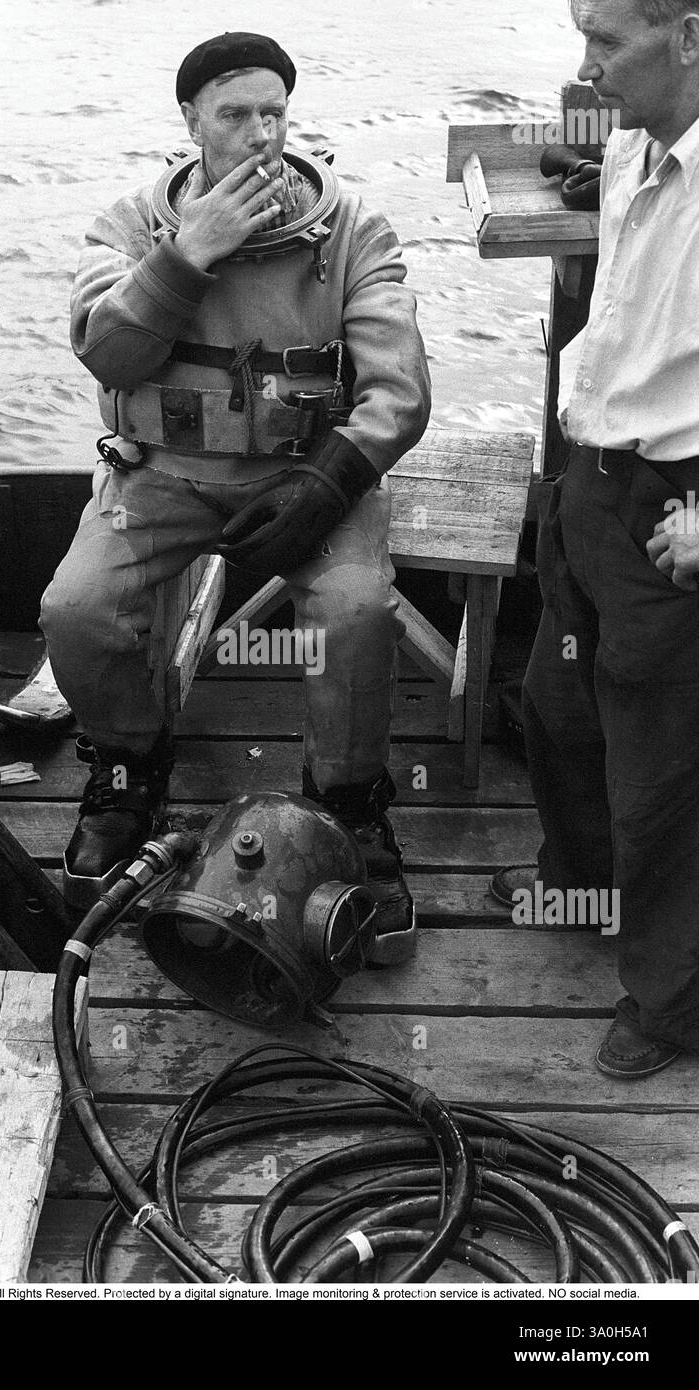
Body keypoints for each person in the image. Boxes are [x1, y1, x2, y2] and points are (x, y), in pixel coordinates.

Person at [39, 32, 431, 960]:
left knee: (354, 611)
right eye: (234, 115)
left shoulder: (351, 231)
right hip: (165, 476)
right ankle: (130, 770)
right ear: (191, 123)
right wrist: (189, 255)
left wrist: (331, 479)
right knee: (74, 607)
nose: (259, 135)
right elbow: (106, 351)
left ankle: (349, 803)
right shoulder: (130, 225)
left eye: (274, 112)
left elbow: (399, 390)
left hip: (305, 481)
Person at [491, 0, 699, 1078]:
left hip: (672, 499)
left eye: (606, 42)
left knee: (661, 764)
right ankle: (580, 880)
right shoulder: (632, 142)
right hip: (588, 475)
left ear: (691, 36)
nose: (583, 67)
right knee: (559, 701)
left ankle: (672, 1003)